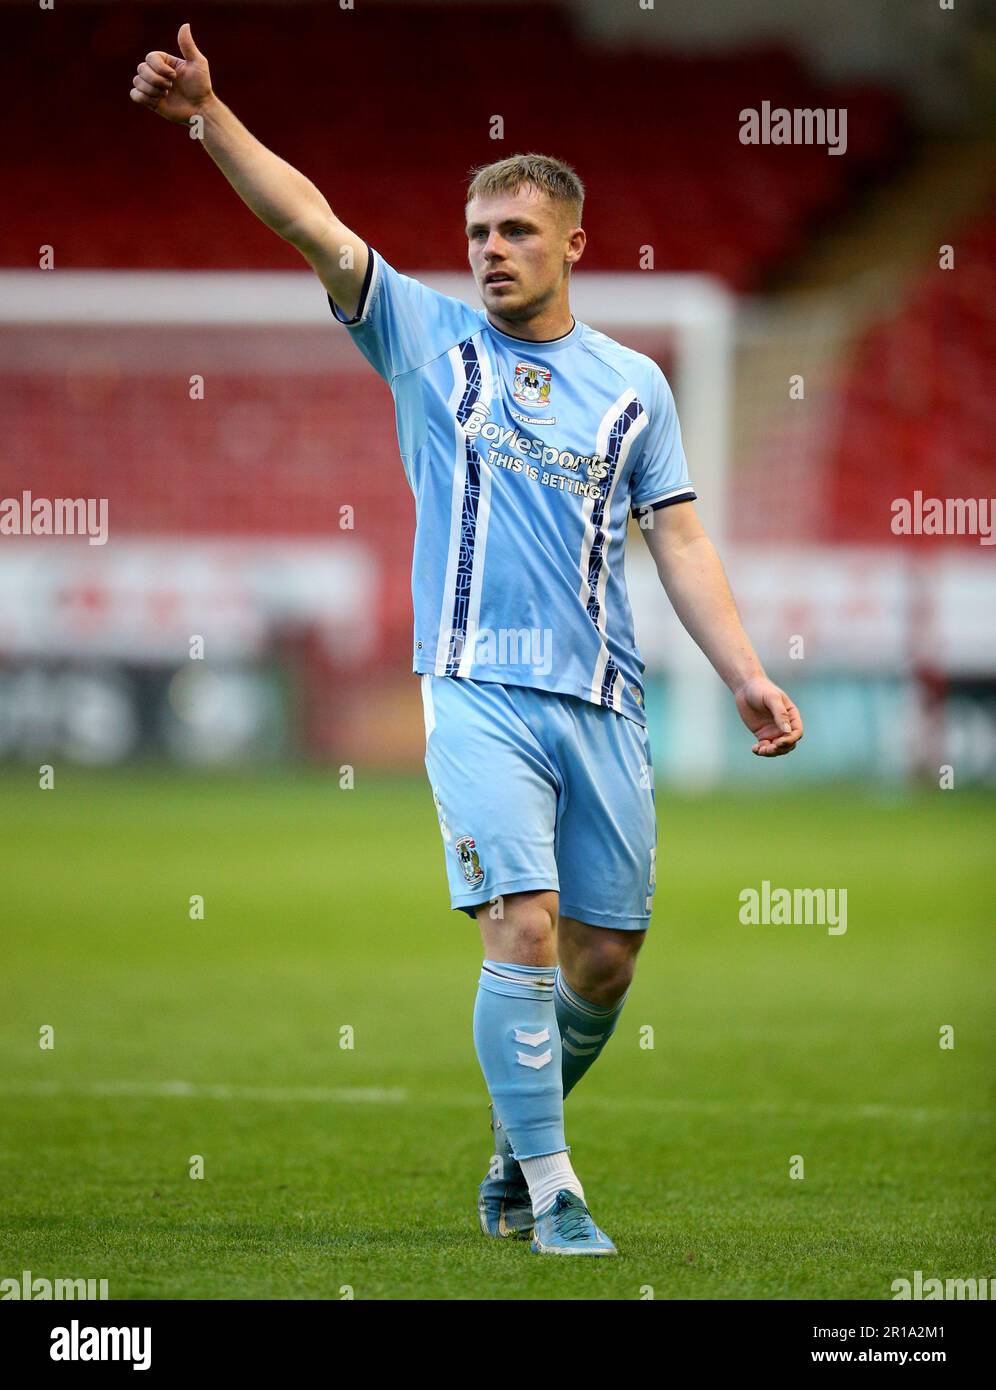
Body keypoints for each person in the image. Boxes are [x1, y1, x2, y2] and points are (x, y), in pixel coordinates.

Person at [130, 23, 804, 1257]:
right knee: (527, 928)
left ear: (572, 244)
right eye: (479, 234)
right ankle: (553, 1190)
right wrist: (208, 116)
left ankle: (512, 1134)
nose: (490, 252)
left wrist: (747, 673)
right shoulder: (428, 341)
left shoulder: (637, 387)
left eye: (516, 234)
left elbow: (684, 545)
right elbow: (310, 221)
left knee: (605, 960)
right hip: (476, 688)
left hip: (602, 695)